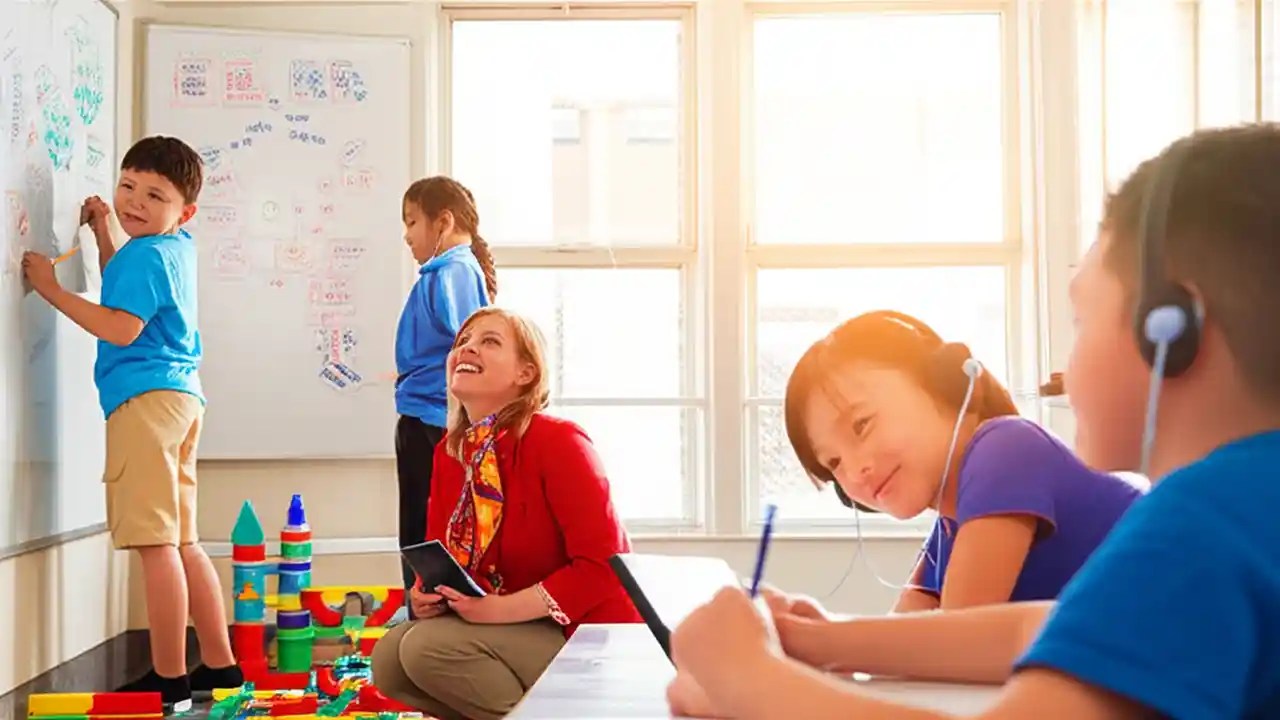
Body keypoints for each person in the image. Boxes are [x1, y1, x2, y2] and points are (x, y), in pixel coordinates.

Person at [664, 124, 1280, 719]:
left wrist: (748, 680)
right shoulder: (1248, 508)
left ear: (1169, 326)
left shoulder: (1202, 520)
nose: (1062, 367)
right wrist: (822, 641)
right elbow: (1042, 628)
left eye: (1081, 319)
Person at [21, 136, 239, 707]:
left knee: (155, 544)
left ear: (184, 210)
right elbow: (130, 288)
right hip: (181, 400)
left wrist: (47, 289)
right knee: (184, 541)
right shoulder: (173, 249)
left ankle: (170, 682)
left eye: (154, 195)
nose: (134, 202)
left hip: (144, 402)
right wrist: (100, 231)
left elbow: (121, 326)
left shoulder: (146, 254)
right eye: (127, 187)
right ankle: (221, 667)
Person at [372, 307, 642, 720]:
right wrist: (427, 594)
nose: (467, 347)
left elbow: (606, 566)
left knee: (427, 649)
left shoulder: (559, 442)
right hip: (514, 629)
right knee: (390, 658)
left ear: (526, 374)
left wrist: (501, 609)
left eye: (489, 341)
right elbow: (447, 558)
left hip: (587, 635)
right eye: (463, 340)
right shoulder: (451, 453)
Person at [783, 311, 1142, 613]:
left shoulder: (1008, 448)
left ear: (944, 385)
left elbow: (956, 636)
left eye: (862, 425)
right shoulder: (949, 530)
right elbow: (900, 644)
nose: (855, 469)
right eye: (833, 462)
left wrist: (826, 640)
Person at [394, 175, 496, 617]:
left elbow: (467, 347)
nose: (407, 234)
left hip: (434, 420)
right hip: (428, 413)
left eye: (413, 221)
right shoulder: (447, 272)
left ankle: (428, 620)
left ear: (444, 222)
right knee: (423, 528)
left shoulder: (452, 271)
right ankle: (426, 617)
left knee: (423, 533)